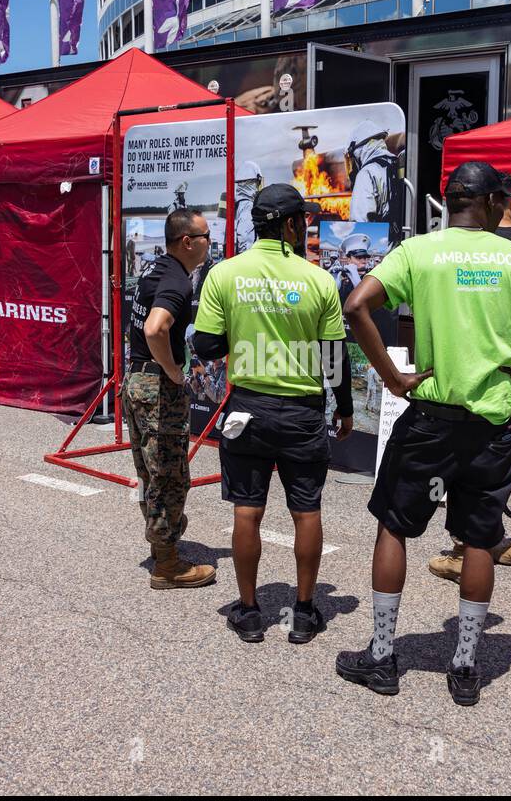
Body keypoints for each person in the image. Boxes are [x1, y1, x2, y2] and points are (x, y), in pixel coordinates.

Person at [334, 161, 511, 706]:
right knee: (480, 539)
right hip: (491, 424)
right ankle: (464, 667)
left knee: (393, 526)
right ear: (494, 202)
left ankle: (383, 658)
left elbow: (356, 305)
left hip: (429, 419)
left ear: (445, 198)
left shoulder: (418, 252)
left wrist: (392, 377)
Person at [192, 183, 353, 645]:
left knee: (247, 511)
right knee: (306, 511)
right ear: (289, 225)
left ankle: (247, 612)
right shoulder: (318, 279)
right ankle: (303, 613)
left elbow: (204, 344)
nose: (305, 226)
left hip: (248, 410)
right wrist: (343, 410)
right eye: (302, 219)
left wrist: (240, 341)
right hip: (303, 412)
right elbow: (333, 356)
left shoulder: (225, 274)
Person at [428, 176, 511, 580]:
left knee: (471, 449)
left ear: (485, 202)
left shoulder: (474, 247)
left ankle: (464, 547)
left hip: (482, 361)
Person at [122, 207, 217, 591]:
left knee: (152, 470)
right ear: (187, 242)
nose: (211, 243)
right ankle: (167, 564)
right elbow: (155, 327)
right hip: (156, 386)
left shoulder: (157, 267)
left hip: (137, 381)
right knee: (170, 475)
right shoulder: (178, 281)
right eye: (207, 236)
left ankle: (163, 538)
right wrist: (175, 371)